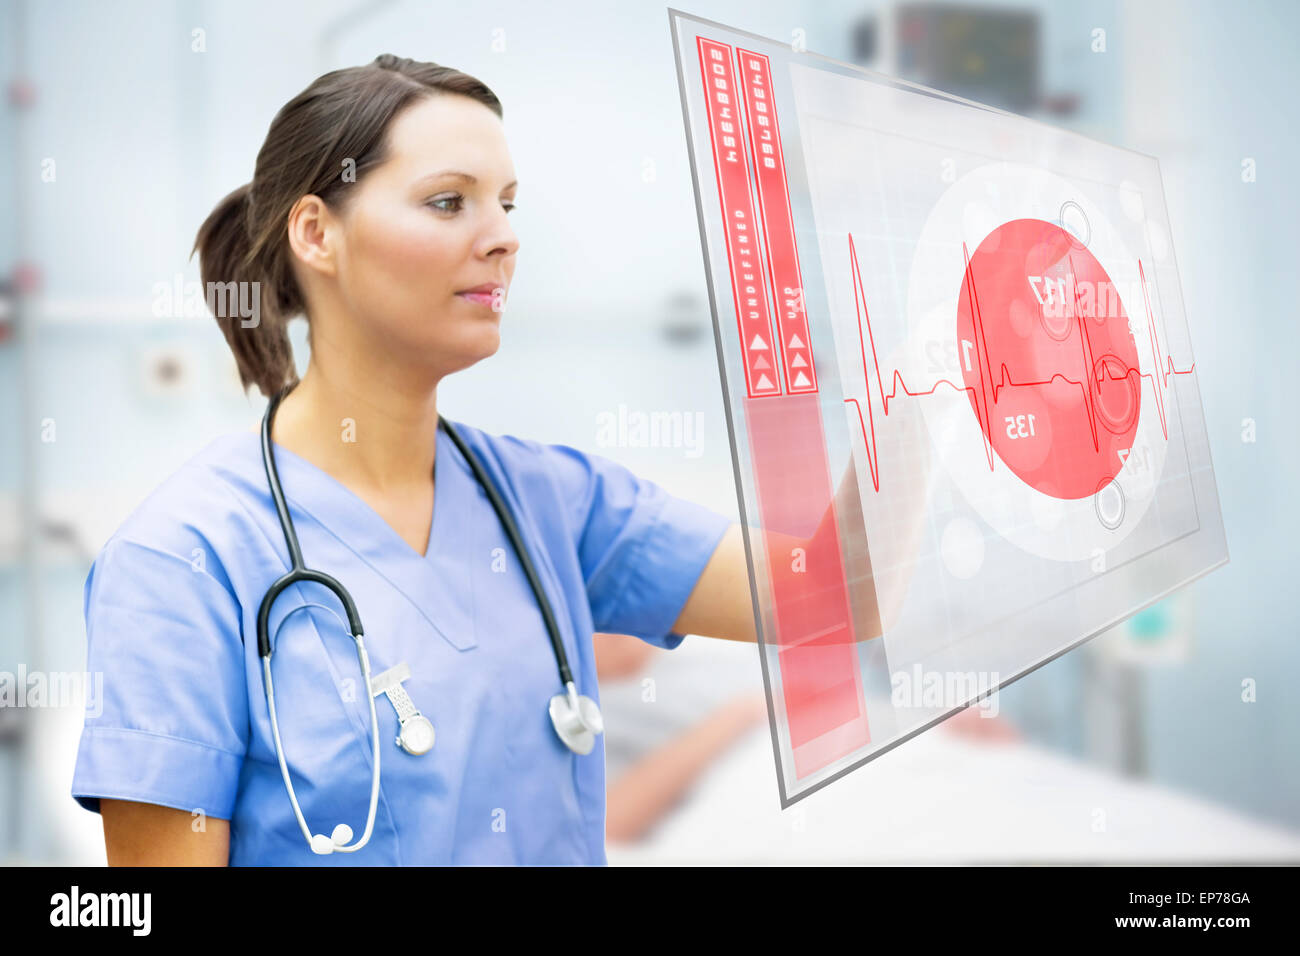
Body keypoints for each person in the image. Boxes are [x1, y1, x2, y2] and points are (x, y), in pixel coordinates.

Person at [69, 54, 770, 866]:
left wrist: (922, 372)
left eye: (507, 205)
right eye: (449, 202)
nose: (504, 237)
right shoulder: (179, 562)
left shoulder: (551, 500)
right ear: (315, 233)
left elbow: (836, 588)